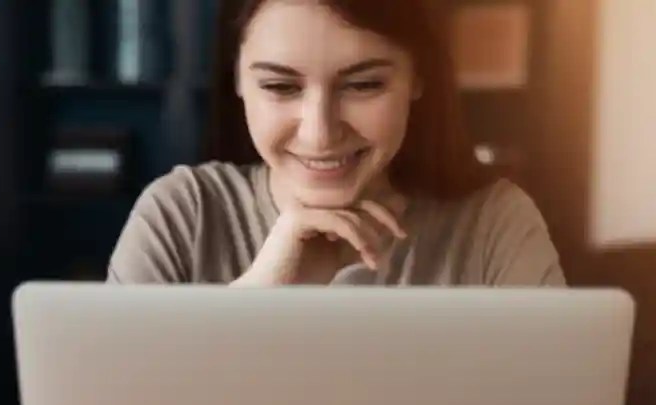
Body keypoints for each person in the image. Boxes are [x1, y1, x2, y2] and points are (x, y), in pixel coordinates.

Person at [106, 0, 566, 288]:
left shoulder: (495, 225)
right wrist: (258, 295)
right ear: (237, 81)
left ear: (418, 77)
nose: (320, 134)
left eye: (364, 85)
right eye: (281, 88)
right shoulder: (180, 216)